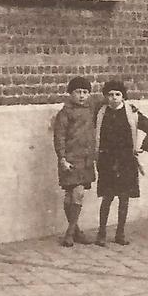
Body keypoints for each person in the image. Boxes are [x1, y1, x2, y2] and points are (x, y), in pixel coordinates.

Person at [93, 79, 148, 247]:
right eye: (110, 95)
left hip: (126, 161)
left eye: (117, 94)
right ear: (105, 97)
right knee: (107, 198)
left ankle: (120, 233)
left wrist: (143, 148)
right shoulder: (99, 113)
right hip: (107, 160)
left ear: (123, 97)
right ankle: (101, 233)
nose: (114, 98)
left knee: (124, 198)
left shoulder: (132, 113)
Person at [50, 76, 98, 247]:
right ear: (70, 93)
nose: (82, 96)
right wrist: (62, 157)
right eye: (78, 92)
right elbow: (59, 136)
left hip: (85, 159)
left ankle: (71, 233)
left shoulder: (92, 107)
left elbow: (110, 100)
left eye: (85, 92)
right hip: (70, 159)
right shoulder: (65, 113)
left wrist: (132, 107)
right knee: (69, 196)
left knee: (78, 193)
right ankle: (75, 231)